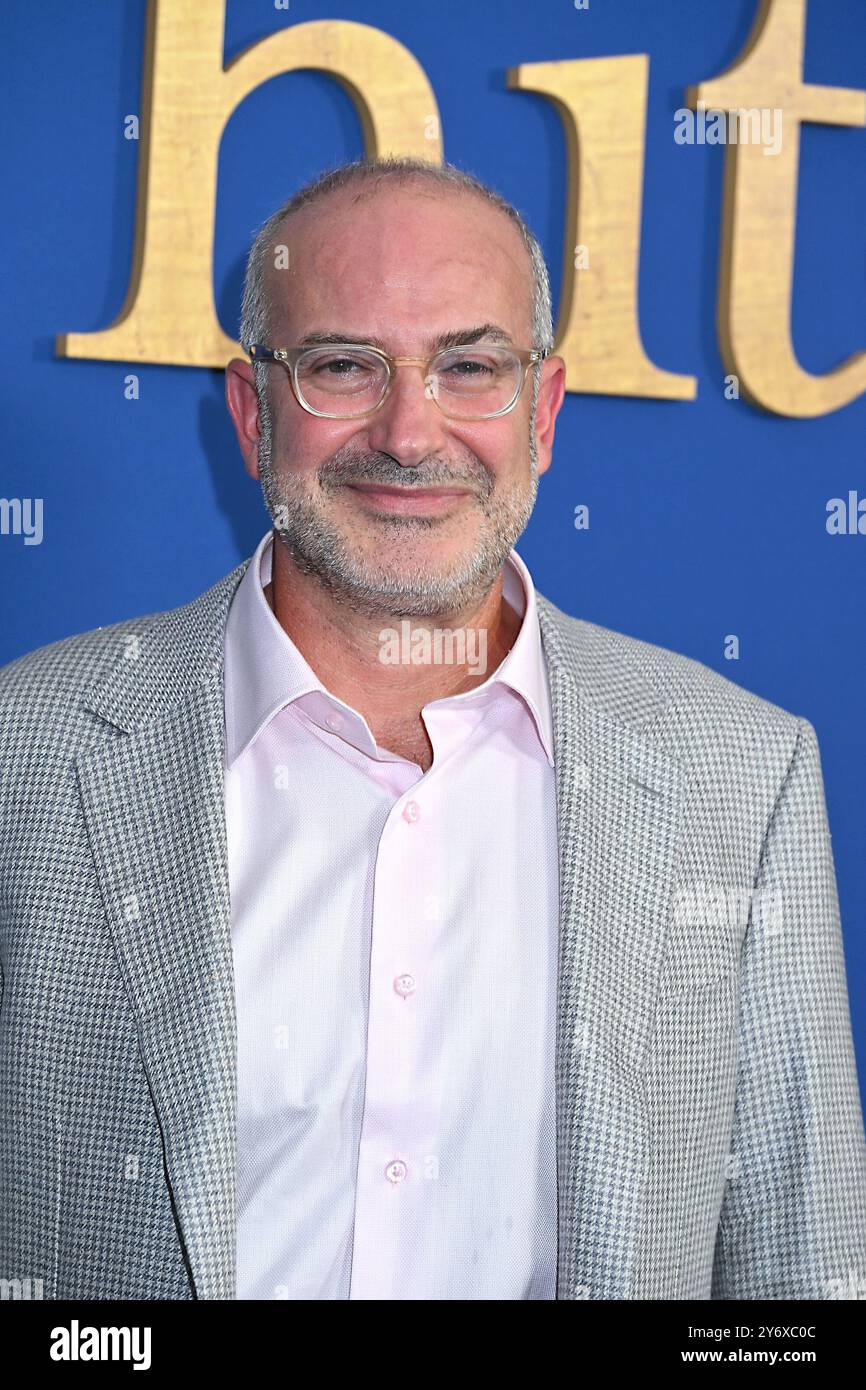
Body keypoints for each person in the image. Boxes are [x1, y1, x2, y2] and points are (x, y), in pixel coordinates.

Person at [1, 156, 864, 1301]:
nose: (410, 433)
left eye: (469, 366)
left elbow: (801, 1271)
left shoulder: (741, 773)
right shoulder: (29, 750)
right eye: (343, 367)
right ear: (253, 413)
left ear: (542, 413)